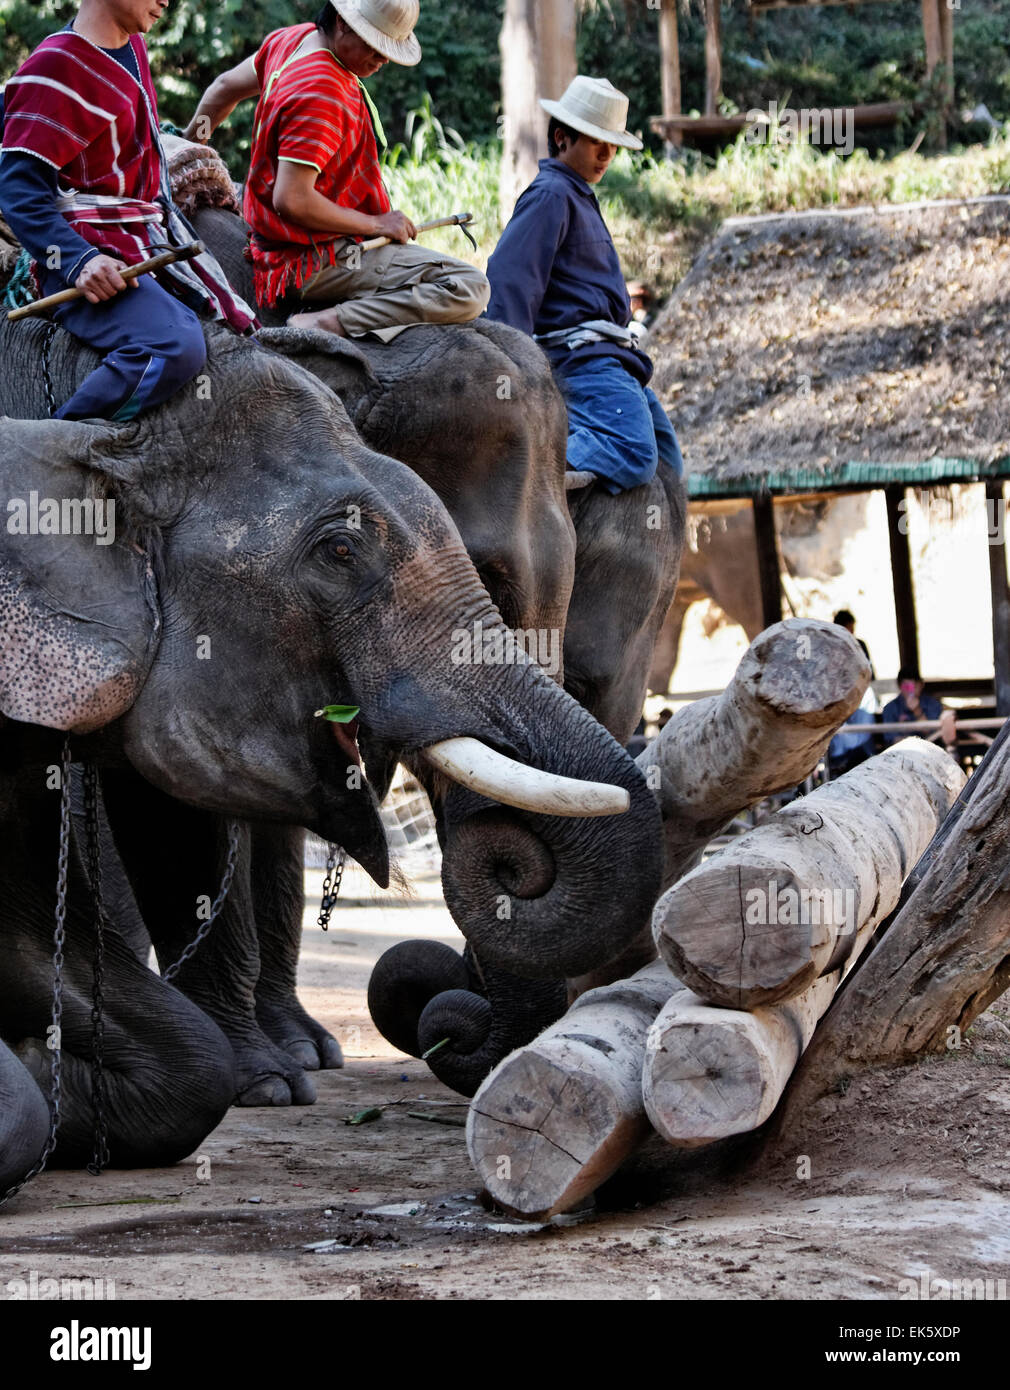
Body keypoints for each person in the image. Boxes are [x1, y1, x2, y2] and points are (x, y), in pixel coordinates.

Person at [0, 0, 255, 422]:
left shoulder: (130, 44)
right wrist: (78, 260)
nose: (166, 1)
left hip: (140, 228)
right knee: (175, 346)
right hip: (84, 244)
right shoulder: (56, 67)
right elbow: (18, 189)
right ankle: (65, 444)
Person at [184, 0, 489, 342]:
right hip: (312, 260)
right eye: (375, 46)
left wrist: (189, 147)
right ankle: (326, 322)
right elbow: (292, 199)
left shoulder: (294, 39)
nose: (383, 59)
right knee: (469, 286)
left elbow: (224, 87)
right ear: (343, 23)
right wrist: (377, 223)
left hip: (275, 240)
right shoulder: (323, 89)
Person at [484, 75, 683, 494]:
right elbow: (510, 281)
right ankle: (524, 462)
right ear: (562, 138)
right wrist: (512, 368)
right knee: (633, 451)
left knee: (668, 459)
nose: (606, 154)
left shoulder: (577, 194)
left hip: (613, 356)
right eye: (597, 143)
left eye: (612, 145)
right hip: (579, 359)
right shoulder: (551, 194)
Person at [881, 667, 946, 746]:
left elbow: (934, 735)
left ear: (922, 684)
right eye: (906, 687)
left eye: (914, 687)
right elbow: (892, 738)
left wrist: (917, 711)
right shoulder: (890, 709)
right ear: (899, 686)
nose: (910, 691)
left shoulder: (933, 705)